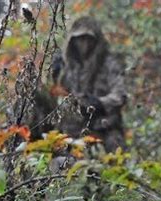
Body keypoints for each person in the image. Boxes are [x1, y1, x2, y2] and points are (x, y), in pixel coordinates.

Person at [53, 16, 127, 151]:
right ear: (73, 41)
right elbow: (56, 97)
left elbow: (120, 95)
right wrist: (54, 77)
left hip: (105, 128)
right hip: (75, 131)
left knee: (116, 156)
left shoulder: (109, 63)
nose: (84, 44)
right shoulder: (68, 68)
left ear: (95, 40)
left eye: (88, 39)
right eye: (79, 39)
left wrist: (99, 102)